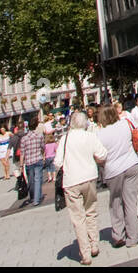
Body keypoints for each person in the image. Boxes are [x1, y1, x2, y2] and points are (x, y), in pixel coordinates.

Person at [54, 110, 108, 265]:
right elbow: (102, 154)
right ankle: (94, 245)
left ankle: (85, 254)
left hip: (71, 180)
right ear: (85, 123)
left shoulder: (65, 139)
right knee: (91, 211)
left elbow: (57, 162)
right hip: (90, 177)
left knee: (78, 218)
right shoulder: (90, 136)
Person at [97, 104, 138, 250]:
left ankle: (119, 235)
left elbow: (99, 157)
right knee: (131, 201)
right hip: (132, 165)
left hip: (113, 171)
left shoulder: (99, 134)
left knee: (116, 203)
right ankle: (133, 237)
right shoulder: (125, 124)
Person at [19, 120, 48, 206]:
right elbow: (43, 147)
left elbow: (22, 153)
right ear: (36, 126)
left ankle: (33, 197)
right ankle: (36, 199)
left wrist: (21, 165)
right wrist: (43, 155)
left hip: (28, 161)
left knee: (31, 180)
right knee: (38, 179)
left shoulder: (24, 138)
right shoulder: (39, 136)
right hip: (38, 159)